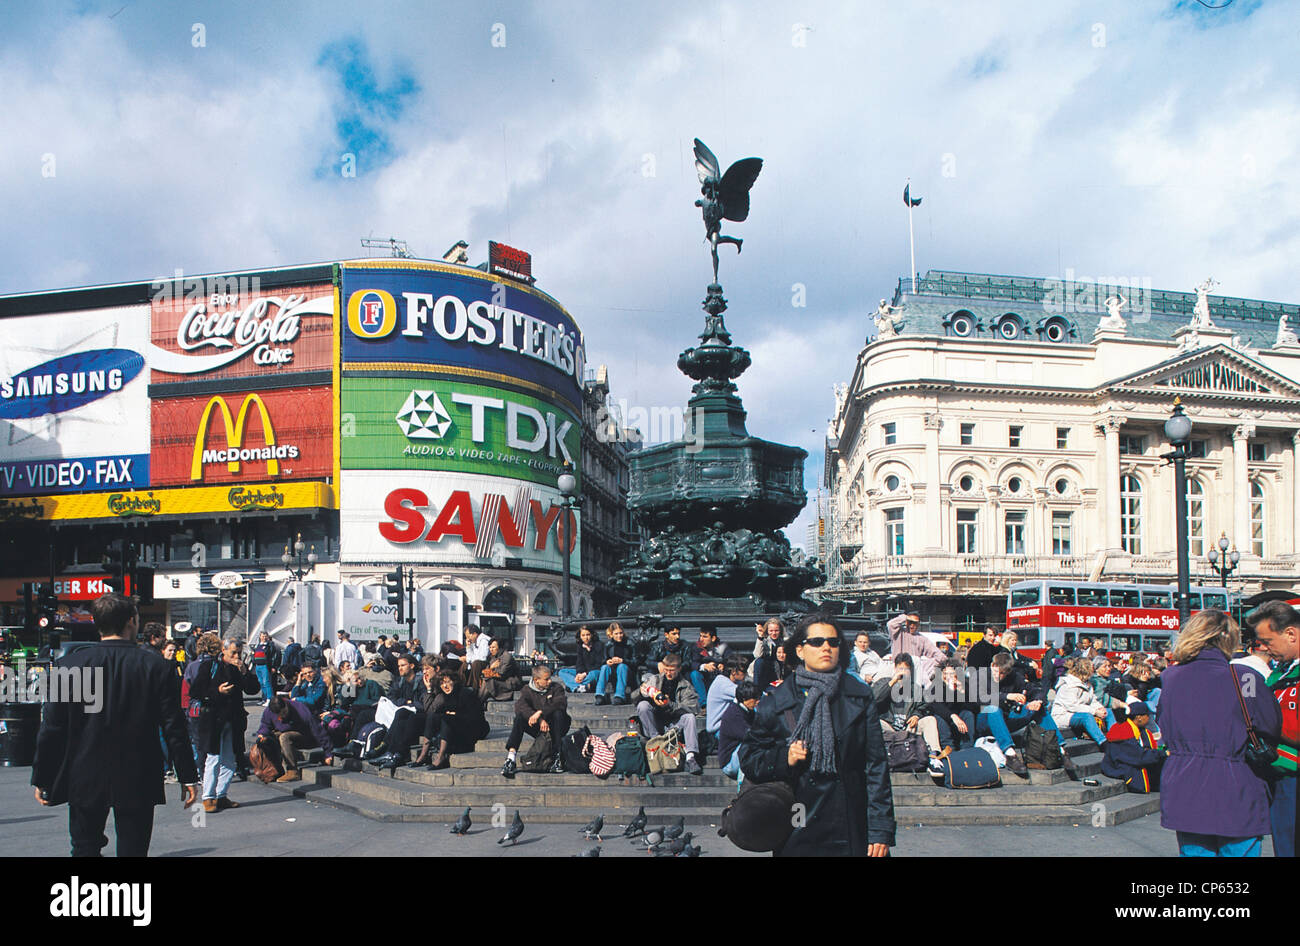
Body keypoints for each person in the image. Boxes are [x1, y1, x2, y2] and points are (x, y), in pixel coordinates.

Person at [31, 593, 199, 857]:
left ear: (97, 623)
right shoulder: (156, 667)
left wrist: (43, 777)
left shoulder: (71, 666)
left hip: (84, 771)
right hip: (138, 772)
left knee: (84, 847)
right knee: (133, 849)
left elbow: (53, 728)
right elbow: (173, 727)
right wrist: (188, 775)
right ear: (131, 621)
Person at [738, 612, 895, 857]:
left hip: (850, 819)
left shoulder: (859, 695)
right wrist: (784, 758)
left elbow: (876, 766)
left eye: (833, 642)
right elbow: (749, 757)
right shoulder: (777, 700)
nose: (826, 647)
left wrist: (880, 828)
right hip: (798, 818)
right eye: (817, 642)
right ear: (800, 650)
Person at [1157, 609, 1281, 857]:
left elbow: (1163, 721)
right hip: (1235, 783)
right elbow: (1270, 726)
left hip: (1185, 782)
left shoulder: (1171, 677)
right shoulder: (1244, 678)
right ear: (1228, 639)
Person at [1244, 601, 1300, 858]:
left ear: (1290, 634)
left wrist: (1264, 729)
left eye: (1267, 641)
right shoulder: (1279, 672)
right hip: (1278, 774)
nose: (1263, 649)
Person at [190, 638, 260, 812]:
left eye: (239, 653)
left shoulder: (238, 669)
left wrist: (245, 672)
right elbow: (196, 691)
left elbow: (252, 689)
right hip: (214, 720)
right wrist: (217, 691)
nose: (236, 656)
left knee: (230, 759)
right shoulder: (210, 666)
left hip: (233, 720)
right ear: (224, 651)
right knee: (213, 758)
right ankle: (208, 797)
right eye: (233, 653)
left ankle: (221, 795)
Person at [634, 653, 704, 775]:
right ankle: (656, 741)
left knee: (690, 717)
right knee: (643, 706)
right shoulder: (655, 679)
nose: (668, 673)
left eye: (672, 670)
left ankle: (690, 757)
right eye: (666, 670)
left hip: (675, 726)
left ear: (679, 669)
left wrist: (669, 704)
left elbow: (694, 708)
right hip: (656, 724)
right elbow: (634, 699)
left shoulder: (686, 686)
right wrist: (640, 692)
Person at [502, 665, 570, 778]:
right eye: (546, 679)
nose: (550, 681)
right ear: (536, 680)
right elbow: (520, 706)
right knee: (519, 718)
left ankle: (558, 756)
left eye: (550, 678)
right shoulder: (527, 690)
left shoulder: (556, 688)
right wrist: (539, 719)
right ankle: (511, 758)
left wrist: (540, 712)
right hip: (539, 727)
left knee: (558, 713)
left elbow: (560, 703)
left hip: (556, 727)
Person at [872, 654, 943, 760]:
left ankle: (934, 756)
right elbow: (874, 699)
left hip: (908, 728)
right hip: (889, 728)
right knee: (875, 722)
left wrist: (916, 715)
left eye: (906, 669)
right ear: (895, 668)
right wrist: (893, 682)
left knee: (930, 720)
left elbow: (925, 707)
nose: (903, 672)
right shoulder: (883, 683)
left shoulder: (915, 689)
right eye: (901, 668)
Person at [412, 671, 489, 768]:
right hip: (456, 727)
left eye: (447, 682)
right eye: (441, 683)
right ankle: (423, 754)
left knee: (447, 719)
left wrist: (455, 714)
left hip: (473, 729)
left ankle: (441, 756)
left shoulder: (466, 693)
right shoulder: (444, 696)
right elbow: (430, 711)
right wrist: (429, 689)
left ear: (455, 681)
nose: (445, 686)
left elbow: (475, 717)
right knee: (432, 717)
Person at [253, 696, 334, 782]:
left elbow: (317, 730)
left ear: (285, 705)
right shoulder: (269, 711)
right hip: (286, 732)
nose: (281, 716)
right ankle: (276, 768)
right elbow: (265, 724)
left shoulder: (300, 709)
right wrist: (262, 734)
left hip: (306, 736)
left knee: (284, 737)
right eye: (278, 714)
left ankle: (292, 771)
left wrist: (328, 753)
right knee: (269, 738)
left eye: (282, 713)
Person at [1100, 701, 1166, 793]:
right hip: (1120, 765)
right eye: (1147, 716)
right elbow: (1139, 757)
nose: (1149, 719)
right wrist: (1163, 753)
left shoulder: (1142, 730)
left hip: (1135, 758)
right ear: (1139, 717)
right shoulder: (1122, 731)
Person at [1050, 657, 1115, 748]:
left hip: (1078, 712)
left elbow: (1092, 700)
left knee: (1108, 711)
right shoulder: (1068, 685)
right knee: (1086, 717)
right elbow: (1072, 706)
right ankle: (1103, 742)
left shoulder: (1087, 684)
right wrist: (1094, 711)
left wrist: (1100, 708)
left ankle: (1115, 737)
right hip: (1063, 715)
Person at [718, 680, 761, 784]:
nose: (757, 701)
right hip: (729, 763)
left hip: (737, 756)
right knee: (749, 745)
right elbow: (750, 736)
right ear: (745, 699)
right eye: (754, 698)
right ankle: (741, 786)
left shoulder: (749, 711)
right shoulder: (734, 714)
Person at [931, 660, 979, 752]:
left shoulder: (964, 685)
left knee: (968, 714)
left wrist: (961, 691)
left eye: (951, 674)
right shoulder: (936, 686)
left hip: (960, 720)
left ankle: (967, 747)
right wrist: (953, 716)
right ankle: (948, 748)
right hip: (946, 719)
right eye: (945, 674)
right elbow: (937, 706)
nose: (948, 677)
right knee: (938, 717)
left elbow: (974, 707)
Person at [593, 622, 634, 705]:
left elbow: (636, 662)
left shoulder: (630, 644)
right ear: (611, 634)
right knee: (604, 667)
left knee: (622, 666)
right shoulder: (608, 645)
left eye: (621, 633)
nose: (619, 636)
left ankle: (619, 696)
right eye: (616, 634)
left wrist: (623, 660)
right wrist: (607, 661)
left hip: (627, 672)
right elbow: (603, 660)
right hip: (613, 672)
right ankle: (599, 695)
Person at [706, 655, 749, 733]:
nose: (746, 674)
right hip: (718, 729)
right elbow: (748, 694)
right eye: (743, 671)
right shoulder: (723, 683)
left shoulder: (733, 682)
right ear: (733, 672)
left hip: (728, 724)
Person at [687, 626, 728, 705]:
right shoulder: (696, 647)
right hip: (704, 678)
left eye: (705, 637)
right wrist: (704, 666)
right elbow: (692, 663)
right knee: (694, 674)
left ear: (713, 638)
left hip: (718, 677)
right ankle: (704, 705)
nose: (701, 639)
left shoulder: (722, 647)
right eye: (700, 636)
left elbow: (730, 660)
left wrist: (723, 665)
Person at [558, 626, 603, 692]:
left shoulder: (599, 645)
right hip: (583, 673)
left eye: (588, 635)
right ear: (580, 637)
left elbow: (598, 664)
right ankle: (580, 686)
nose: (586, 637)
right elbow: (579, 663)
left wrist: (585, 674)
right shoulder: (580, 647)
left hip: (593, 672)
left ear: (592, 635)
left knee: (594, 674)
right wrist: (579, 674)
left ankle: (573, 686)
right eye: (583, 635)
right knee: (562, 672)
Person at [479, 637, 522, 702]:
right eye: (490, 647)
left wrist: (490, 670)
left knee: (488, 681)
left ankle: (478, 702)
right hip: (499, 680)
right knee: (486, 681)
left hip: (510, 682)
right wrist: (491, 667)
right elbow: (484, 673)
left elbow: (501, 674)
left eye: (493, 647)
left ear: (500, 648)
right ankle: (478, 702)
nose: (491, 649)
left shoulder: (507, 657)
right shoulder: (492, 657)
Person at [250, 631, 279, 705]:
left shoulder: (270, 646)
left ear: (268, 637)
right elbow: (254, 654)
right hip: (258, 666)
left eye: (265, 636)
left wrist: (273, 666)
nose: (264, 638)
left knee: (267, 682)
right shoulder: (258, 645)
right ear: (260, 637)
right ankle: (264, 699)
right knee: (261, 683)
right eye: (262, 636)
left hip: (265, 666)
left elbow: (274, 656)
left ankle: (270, 699)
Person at [461, 624, 492, 691]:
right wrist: (468, 647)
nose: (468, 639)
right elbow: (469, 658)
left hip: (486, 663)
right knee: (465, 664)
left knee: (476, 663)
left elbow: (483, 658)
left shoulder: (484, 640)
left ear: (474, 634)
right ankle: (462, 685)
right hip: (477, 662)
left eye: (468, 636)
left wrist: (468, 659)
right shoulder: (474, 642)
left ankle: (475, 687)